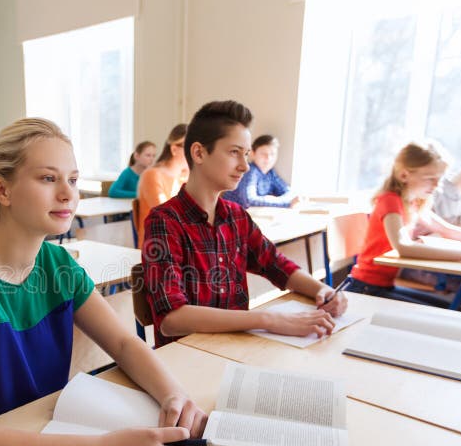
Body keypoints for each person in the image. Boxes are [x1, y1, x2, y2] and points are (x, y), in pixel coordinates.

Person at [0, 117, 206, 446]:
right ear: (2, 190)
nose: (68, 194)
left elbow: (124, 343)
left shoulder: (58, 263)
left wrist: (173, 394)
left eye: (73, 180)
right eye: (48, 178)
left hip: (47, 443)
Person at [142, 101, 347, 348]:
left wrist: (322, 289)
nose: (245, 165)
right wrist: (267, 319)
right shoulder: (164, 221)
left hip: (237, 350)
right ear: (198, 153)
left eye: (246, 154)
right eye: (234, 152)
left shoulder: (236, 216)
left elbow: (275, 264)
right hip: (188, 359)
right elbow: (172, 320)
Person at [346, 141, 461, 304]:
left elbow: (446, 229)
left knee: (449, 307)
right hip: (366, 288)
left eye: (439, 179)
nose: (437, 186)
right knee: (448, 310)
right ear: (404, 176)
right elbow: (404, 247)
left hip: (384, 286)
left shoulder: (413, 202)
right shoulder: (390, 201)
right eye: (430, 179)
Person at [135, 124, 188, 248]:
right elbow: (168, 217)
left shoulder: (185, 177)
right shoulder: (152, 175)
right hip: (158, 248)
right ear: (174, 149)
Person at [222, 135, 298, 208]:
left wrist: (275, 199)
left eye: (272, 154)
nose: (268, 158)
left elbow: (287, 191)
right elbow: (250, 200)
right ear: (252, 154)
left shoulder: (271, 172)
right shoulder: (250, 171)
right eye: (263, 154)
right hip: (231, 214)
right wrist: (285, 203)